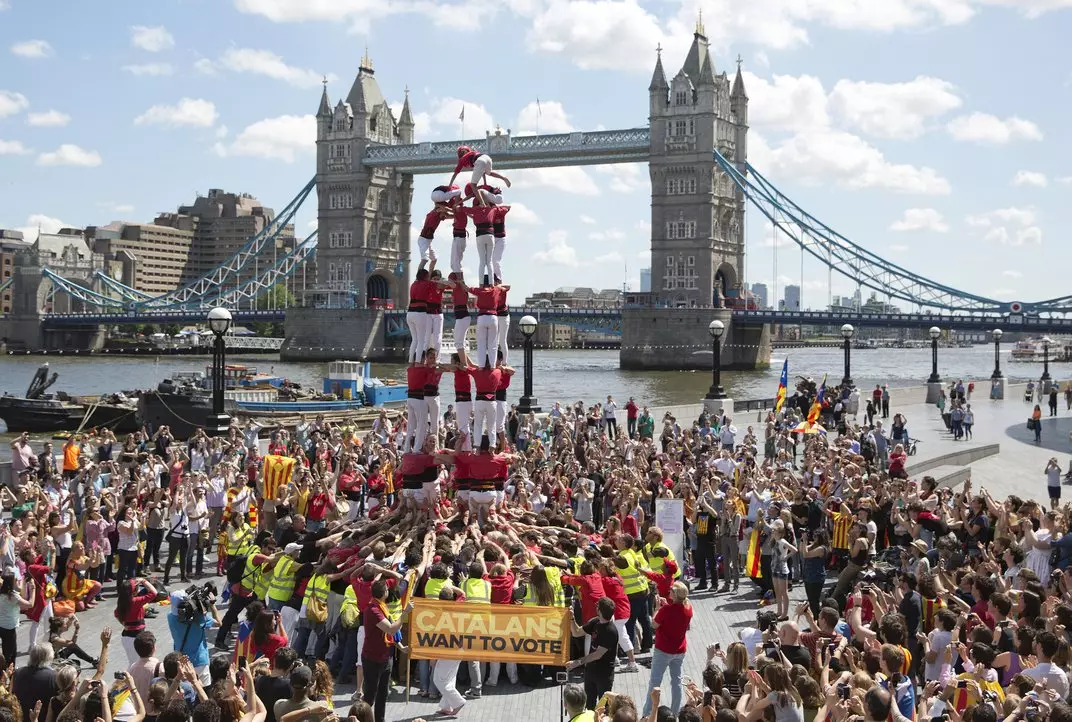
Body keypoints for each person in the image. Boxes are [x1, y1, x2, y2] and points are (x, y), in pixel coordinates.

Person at [361, 579, 415, 722]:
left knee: (382, 694)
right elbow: (391, 629)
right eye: (387, 590)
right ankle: (363, 718)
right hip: (373, 658)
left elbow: (390, 634)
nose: (388, 591)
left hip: (385, 657)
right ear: (383, 593)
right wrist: (405, 613)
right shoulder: (373, 610)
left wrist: (401, 647)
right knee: (370, 695)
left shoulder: (382, 607)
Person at [643, 581, 692, 717]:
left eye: (671, 590)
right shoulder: (688, 608)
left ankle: (647, 714)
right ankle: (675, 713)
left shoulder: (665, 610)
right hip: (679, 650)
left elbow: (654, 624)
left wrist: (657, 608)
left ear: (675, 594)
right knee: (677, 681)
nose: (669, 591)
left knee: (655, 681)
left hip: (663, 650)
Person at [566, 596, 619, 710]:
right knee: (589, 705)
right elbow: (576, 632)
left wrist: (577, 662)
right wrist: (572, 618)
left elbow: (597, 655)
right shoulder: (595, 622)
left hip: (604, 675)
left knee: (604, 707)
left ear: (599, 610)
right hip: (590, 671)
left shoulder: (611, 631)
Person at [166, 589, 219, 684]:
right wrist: (211, 605)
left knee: (188, 695)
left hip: (182, 662)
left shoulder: (170, 617)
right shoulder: (199, 617)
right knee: (204, 693)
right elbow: (219, 623)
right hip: (200, 661)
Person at [115, 577, 159, 665]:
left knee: (132, 663)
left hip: (126, 637)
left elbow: (116, 614)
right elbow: (154, 593)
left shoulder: (122, 602)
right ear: (134, 591)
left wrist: (124, 624)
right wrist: (144, 581)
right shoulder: (135, 601)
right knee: (141, 663)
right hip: (137, 637)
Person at [12, 643, 57, 722]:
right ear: (48, 658)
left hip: (19, 715)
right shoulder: (53, 676)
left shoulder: (18, 672)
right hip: (40, 717)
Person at [0, 570, 32, 663]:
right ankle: (8, 673)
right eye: (15, 580)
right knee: (10, 654)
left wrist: (24, 583)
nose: (16, 581)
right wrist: (33, 590)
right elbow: (30, 604)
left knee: (10, 650)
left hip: (1, 625)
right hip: (9, 628)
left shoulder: (6, 594)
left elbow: (23, 597)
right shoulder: (13, 596)